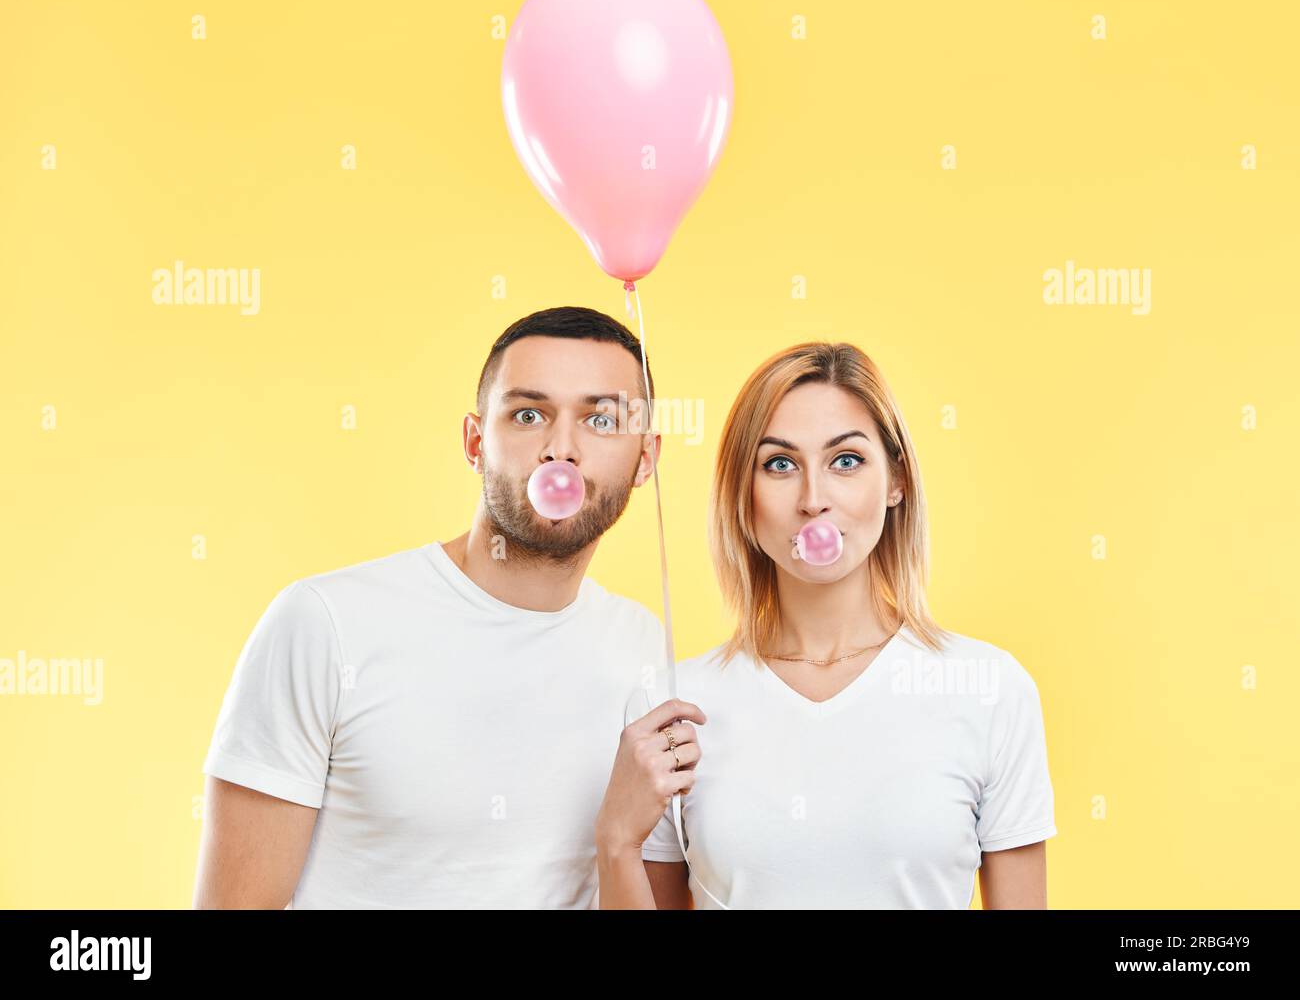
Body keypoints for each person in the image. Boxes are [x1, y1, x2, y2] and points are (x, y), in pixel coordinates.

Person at [193, 305, 697, 908]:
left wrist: (616, 838)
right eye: (529, 414)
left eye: (601, 420)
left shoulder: (643, 650)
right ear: (475, 442)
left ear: (646, 458)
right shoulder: (324, 625)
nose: (561, 449)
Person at [595, 341, 1057, 909]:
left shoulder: (990, 689)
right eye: (780, 464)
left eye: (846, 461)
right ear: (744, 498)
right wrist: (616, 841)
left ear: (896, 482)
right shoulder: (672, 704)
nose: (814, 499)